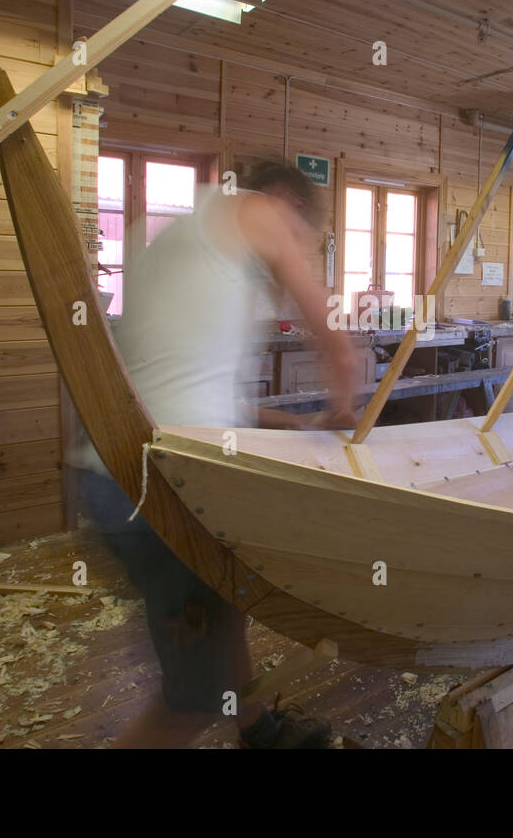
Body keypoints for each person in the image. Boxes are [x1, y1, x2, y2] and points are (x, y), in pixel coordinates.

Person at [73, 162, 361, 748]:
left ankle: (260, 732)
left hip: (116, 473)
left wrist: (293, 424)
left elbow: (188, 388)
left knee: (222, 610)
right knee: (190, 702)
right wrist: (344, 403)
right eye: (307, 239)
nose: (297, 254)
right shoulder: (262, 211)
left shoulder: (186, 232)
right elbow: (334, 336)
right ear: (287, 204)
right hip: (156, 485)